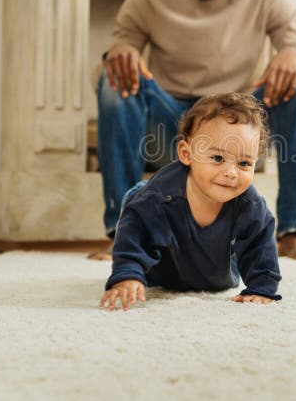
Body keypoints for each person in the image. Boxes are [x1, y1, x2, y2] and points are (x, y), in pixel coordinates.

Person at [93, 0, 296, 262]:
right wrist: (119, 53)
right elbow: (108, 74)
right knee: (115, 76)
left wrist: (295, 55)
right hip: (173, 127)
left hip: (239, 128)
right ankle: (124, 229)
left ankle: (295, 230)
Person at [99, 92, 281, 311]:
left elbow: (260, 246)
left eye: (244, 163)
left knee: (253, 225)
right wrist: (127, 274)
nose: (231, 173)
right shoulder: (160, 196)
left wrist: (261, 288)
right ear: (186, 154)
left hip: (217, 276)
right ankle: (137, 196)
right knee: (139, 200)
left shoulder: (249, 204)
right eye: (217, 158)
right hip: (159, 271)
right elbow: (136, 235)